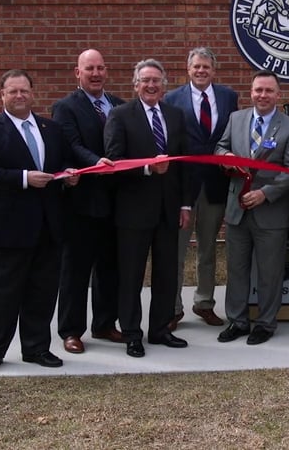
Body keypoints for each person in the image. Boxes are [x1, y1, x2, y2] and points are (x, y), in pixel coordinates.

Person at [0, 69, 79, 376]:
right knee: (2, 295)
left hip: (48, 227)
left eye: (24, 90)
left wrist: (69, 176)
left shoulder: (51, 129)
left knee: (42, 292)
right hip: (7, 229)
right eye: (13, 91)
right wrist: (24, 178)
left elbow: (61, 164)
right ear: (2, 95)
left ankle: (36, 348)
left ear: (33, 93)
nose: (20, 96)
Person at [104, 59, 193, 358]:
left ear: (164, 85)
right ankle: (132, 333)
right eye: (145, 80)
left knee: (166, 274)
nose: (151, 85)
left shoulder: (176, 116)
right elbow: (114, 163)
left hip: (169, 211)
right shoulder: (120, 115)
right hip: (133, 212)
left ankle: (160, 329)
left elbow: (182, 165)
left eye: (156, 80)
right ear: (135, 85)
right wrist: (147, 170)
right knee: (131, 275)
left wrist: (184, 205)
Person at [214, 70, 289, 345]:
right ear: (251, 92)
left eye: (268, 91)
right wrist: (225, 156)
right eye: (258, 90)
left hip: (270, 211)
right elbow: (219, 147)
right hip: (237, 209)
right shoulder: (236, 118)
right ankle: (237, 321)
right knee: (237, 270)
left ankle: (265, 323)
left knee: (270, 272)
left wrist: (265, 194)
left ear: (278, 94)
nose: (262, 95)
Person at [50, 49, 124, 355]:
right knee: (76, 270)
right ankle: (71, 330)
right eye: (89, 68)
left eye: (100, 68)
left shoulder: (120, 105)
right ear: (77, 73)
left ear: (106, 71)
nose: (96, 74)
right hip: (82, 201)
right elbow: (72, 145)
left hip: (117, 201)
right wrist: (98, 162)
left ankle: (105, 323)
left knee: (110, 267)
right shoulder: (65, 108)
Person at [163, 47, 239, 330]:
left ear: (213, 70)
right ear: (188, 69)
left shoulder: (229, 97)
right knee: (177, 250)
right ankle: (172, 307)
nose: (201, 71)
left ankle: (204, 302)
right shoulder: (172, 99)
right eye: (196, 66)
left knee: (208, 249)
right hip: (183, 186)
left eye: (206, 67)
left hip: (216, 185)